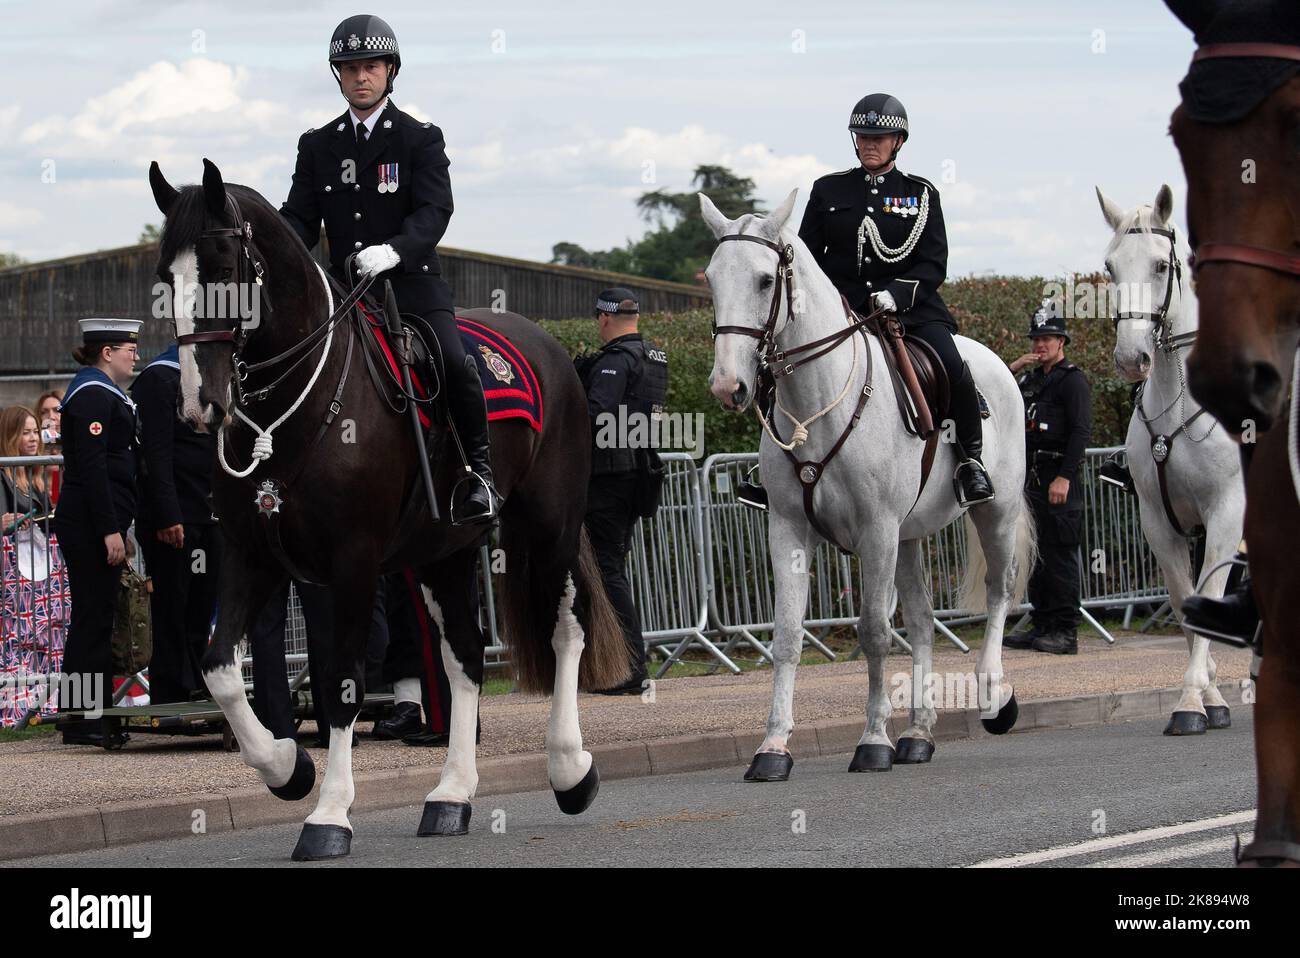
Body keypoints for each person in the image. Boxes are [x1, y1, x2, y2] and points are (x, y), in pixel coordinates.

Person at [279, 13, 499, 525]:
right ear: (338, 74)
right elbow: (300, 220)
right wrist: (268, 243)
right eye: (350, 67)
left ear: (390, 70)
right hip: (346, 292)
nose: (360, 77)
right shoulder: (317, 145)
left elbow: (434, 211)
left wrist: (394, 250)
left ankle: (478, 473)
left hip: (411, 284)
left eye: (370, 66)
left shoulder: (419, 138)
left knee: (451, 360)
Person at [800, 93, 993, 506]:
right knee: (784, 361)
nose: (869, 143)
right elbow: (807, 260)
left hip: (911, 310)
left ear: (898, 141)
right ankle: (773, 463)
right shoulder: (827, 189)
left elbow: (933, 264)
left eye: (879, 137)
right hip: (842, 310)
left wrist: (895, 294)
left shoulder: (920, 194)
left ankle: (969, 461)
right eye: (863, 136)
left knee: (954, 366)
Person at [53, 318, 142, 747]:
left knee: (97, 615)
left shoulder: (101, 392)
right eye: (129, 348)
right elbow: (92, 468)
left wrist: (118, 528)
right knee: (91, 617)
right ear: (107, 352)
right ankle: (80, 717)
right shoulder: (91, 394)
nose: (135, 355)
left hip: (100, 524)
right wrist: (109, 529)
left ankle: (91, 713)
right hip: (88, 523)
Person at [575, 288, 667, 694]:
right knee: (612, 568)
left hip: (610, 477)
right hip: (638, 472)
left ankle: (630, 667)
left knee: (606, 571)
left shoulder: (615, 360)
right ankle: (617, 664)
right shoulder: (654, 357)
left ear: (604, 318)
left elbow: (596, 417)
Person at [131, 344, 220, 704]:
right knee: (172, 607)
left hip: (208, 512)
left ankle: (198, 683)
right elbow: (156, 453)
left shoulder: (212, 373)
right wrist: (168, 515)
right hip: (177, 515)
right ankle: (170, 691)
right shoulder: (160, 377)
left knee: (201, 606)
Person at [1006, 300, 1091, 655]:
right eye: (1037, 339)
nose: (1040, 345)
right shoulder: (1029, 380)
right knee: (1036, 554)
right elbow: (994, 397)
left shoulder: (1072, 381)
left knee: (1059, 555)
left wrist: (1065, 478)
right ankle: (1043, 625)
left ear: (1062, 342)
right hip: (1032, 479)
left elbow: (1080, 432)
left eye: (1048, 338)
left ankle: (1065, 631)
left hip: (1058, 475)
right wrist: (1012, 368)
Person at [0, 406, 52, 533]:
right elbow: (5, 523)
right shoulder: (2, 475)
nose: (33, 438)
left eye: (35, 431)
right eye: (26, 432)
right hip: (12, 551)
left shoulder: (35, 475)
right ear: (10, 436)